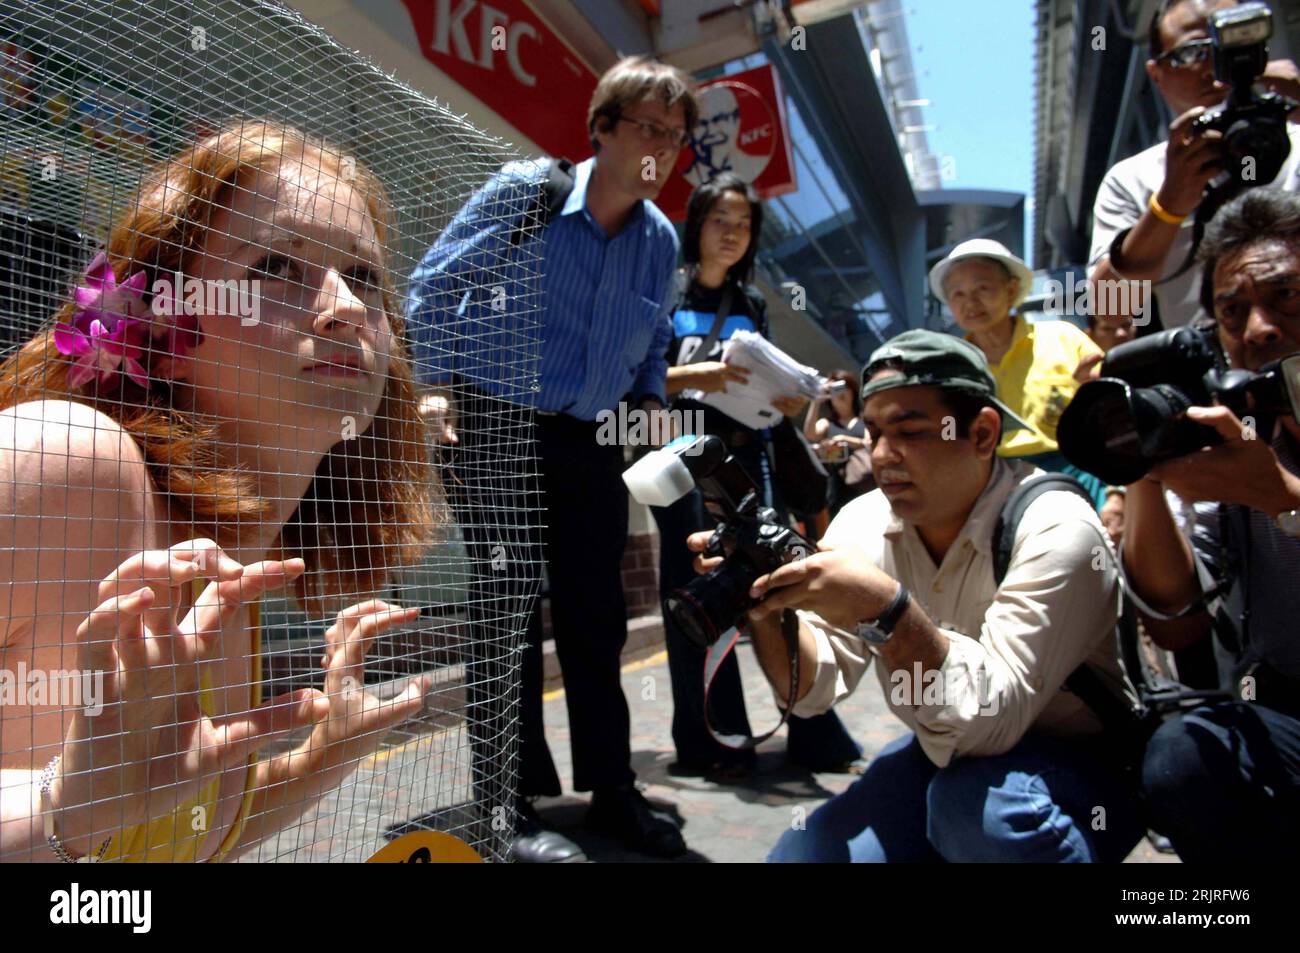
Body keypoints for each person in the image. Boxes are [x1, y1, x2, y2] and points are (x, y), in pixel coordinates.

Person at [0, 120, 436, 863]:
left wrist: (319, 758)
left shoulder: (231, 569)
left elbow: (168, 833)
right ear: (158, 323)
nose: (344, 307)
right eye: (274, 266)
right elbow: (89, 818)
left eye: (364, 276)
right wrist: (57, 810)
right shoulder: (63, 459)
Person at [688, 330, 1144, 863]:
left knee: (979, 818)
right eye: (874, 430)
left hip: (1081, 761)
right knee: (803, 856)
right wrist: (764, 602)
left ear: (981, 432)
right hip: (947, 751)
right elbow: (809, 693)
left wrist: (887, 613)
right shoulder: (864, 520)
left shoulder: (1056, 528)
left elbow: (994, 723)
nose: (882, 455)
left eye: (909, 430)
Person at [407, 56, 698, 861]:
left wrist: (649, 394)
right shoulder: (524, 195)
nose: (664, 148)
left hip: (592, 438)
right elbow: (432, 284)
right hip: (495, 422)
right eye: (649, 127)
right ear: (600, 128)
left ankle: (611, 790)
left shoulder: (660, 239)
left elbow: (656, 336)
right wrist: (432, 384)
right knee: (505, 607)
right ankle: (507, 805)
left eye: (676, 137)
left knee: (595, 614)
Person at [652, 173, 862, 779]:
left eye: (743, 224)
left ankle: (813, 728)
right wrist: (701, 378)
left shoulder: (754, 305)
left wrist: (790, 399)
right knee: (698, 593)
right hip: (685, 467)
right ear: (697, 226)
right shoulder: (667, 296)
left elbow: (767, 384)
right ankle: (709, 739)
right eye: (721, 220)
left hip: (750, 464)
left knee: (773, 589)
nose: (733, 234)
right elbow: (640, 381)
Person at [1122, 187, 1300, 861]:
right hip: (1284, 716)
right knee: (1185, 759)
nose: (1259, 329)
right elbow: (1177, 622)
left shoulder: (1259, 467)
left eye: (1286, 296)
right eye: (1233, 311)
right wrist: (1140, 466)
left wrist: (1284, 497)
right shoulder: (1241, 443)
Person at [1089, 0, 1300, 333]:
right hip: (1214, 375)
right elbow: (1110, 309)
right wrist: (1168, 207)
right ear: (1156, 73)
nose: (1213, 65)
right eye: (1192, 52)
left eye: (1228, 44)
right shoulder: (1133, 179)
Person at [930, 239, 1109, 509]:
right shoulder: (950, 369)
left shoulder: (1065, 339)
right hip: (991, 491)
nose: (971, 302)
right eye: (958, 294)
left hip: (1080, 477)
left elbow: (1116, 414)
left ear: (1011, 290)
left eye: (983, 288)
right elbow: (947, 436)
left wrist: (1117, 492)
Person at [805, 369, 873, 519]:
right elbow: (810, 434)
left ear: (853, 391)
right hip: (838, 488)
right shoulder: (827, 424)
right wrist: (816, 401)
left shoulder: (865, 418)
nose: (841, 393)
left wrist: (845, 439)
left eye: (844, 387)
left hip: (867, 482)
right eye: (835, 389)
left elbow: (869, 442)